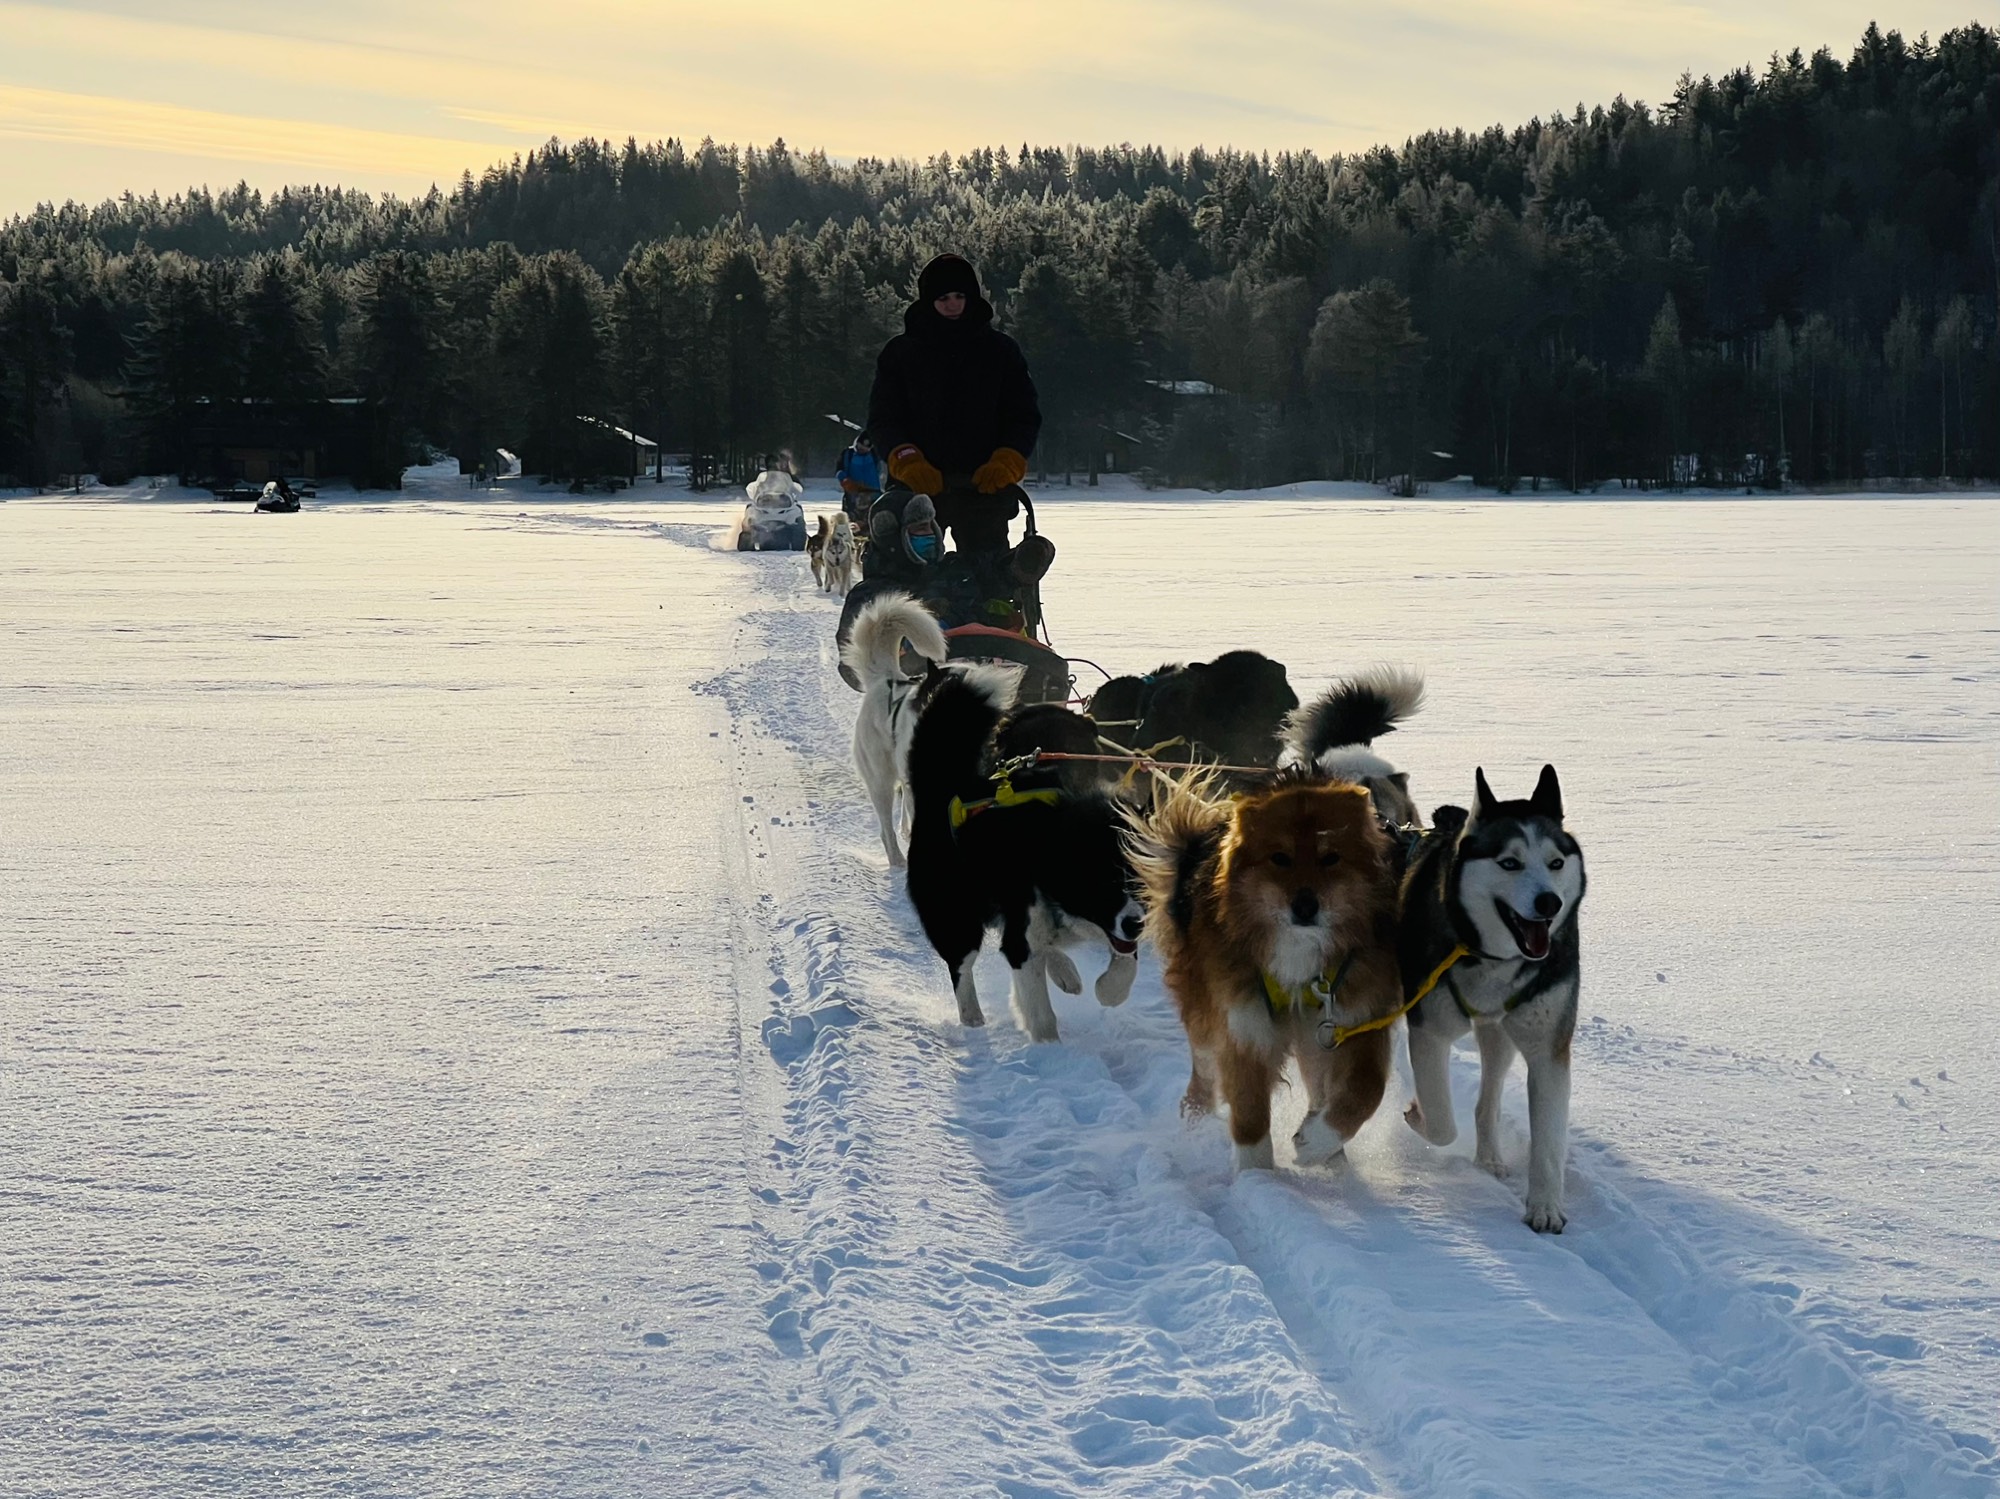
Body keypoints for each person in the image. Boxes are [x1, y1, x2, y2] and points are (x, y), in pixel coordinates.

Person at [865, 254, 1044, 569]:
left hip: (984, 488)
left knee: (990, 583)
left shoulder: (1001, 351)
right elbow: (884, 419)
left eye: (960, 296)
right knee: (909, 583)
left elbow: (1023, 415)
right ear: (928, 300)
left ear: (972, 297)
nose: (952, 304)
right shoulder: (900, 354)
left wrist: (1008, 458)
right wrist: (907, 460)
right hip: (916, 491)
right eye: (943, 297)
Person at [833, 433, 881, 520]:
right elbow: (839, 470)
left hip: (874, 497)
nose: (862, 450)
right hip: (853, 497)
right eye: (860, 447)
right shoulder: (847, 454)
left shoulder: (875, 454)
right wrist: (845, 480)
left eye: (865, 449)